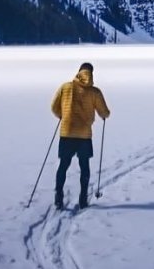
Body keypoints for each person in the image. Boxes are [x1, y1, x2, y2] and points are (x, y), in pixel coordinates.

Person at [50, 61, 110, 210]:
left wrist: (62, 116)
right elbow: (104, 112)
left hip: (66, 132)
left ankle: (58, 196)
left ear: (79, 72)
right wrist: (104, 116)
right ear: (91, 73)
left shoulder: (65, 87)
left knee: (63, 165)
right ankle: (83, 198)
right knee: (84, 166)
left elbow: (53, 107)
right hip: (84, 135)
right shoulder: (95, 92)